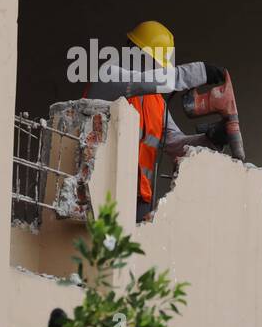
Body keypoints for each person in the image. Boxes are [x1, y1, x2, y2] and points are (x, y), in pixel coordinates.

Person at [83, 20, 227, 221]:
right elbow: (157, 80)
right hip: (100, 187)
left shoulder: (156, 102)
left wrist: (211, 139)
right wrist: (200, 72)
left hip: (139, 199)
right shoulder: (109, 77)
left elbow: (177, 144)